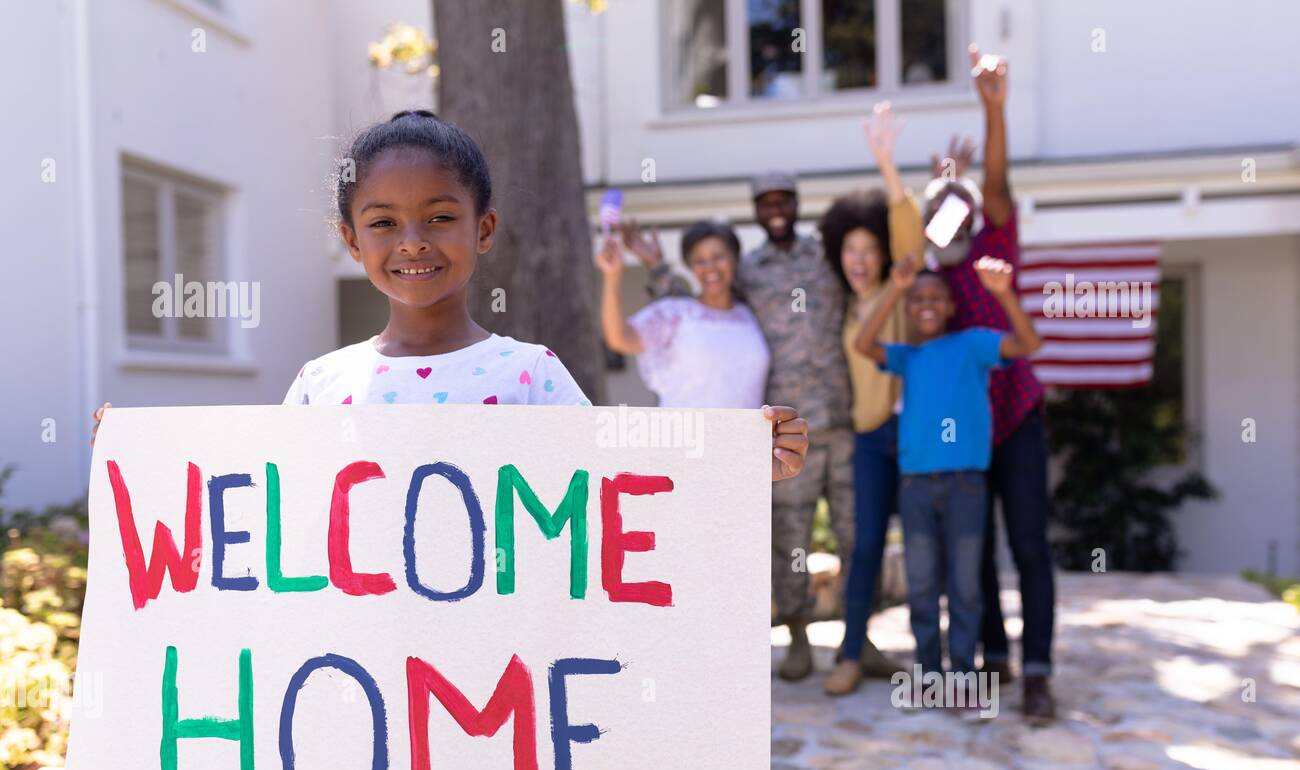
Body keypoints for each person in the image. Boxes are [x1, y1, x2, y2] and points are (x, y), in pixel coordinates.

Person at [91, 111, 810, 486]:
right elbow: (266, 504)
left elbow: (616, 485)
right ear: (351, 240)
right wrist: (144, 462)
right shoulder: (321, 385)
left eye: (439, 216)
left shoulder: (530, 375)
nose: (412, 241)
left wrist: (739, 465)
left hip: (499, 698)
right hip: (362, 689)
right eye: (383, 222)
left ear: (483, 228)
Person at [622, 121, 894, 683]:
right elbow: (701, 302)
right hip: (786, 430)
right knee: (789, 539)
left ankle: (859, 637)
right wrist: (654, 268)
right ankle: (795, 637)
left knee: (856, 533)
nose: (775, 209)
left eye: (783, 201)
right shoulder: (747, 272)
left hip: (840, 419)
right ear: (756, 209)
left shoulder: (825, 258)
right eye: (765, 203)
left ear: (795, 205)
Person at [921, 47, 1059, 722]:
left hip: (1020, 415)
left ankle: (1036, 671)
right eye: (935, 209)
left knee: (1029, 544)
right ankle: (995, 658)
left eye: (957, 205)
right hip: (966, 428)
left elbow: (996, 182)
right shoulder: (933, 283)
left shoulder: (994, 244)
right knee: (972, 551)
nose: (947, 216)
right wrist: (933, 188)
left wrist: (993, 109)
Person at [854, 255, 1041, 690]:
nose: (926, 304)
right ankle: (926, 676)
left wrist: (1003, 293)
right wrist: (895, 290)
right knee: (920, 589)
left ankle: (960, 677)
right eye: (918, 299)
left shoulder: (973, 345)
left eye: (936, 297)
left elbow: (1028, 344)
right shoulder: (907, 356)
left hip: (966, 486)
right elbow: (863, 344)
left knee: (965, 589)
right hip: (915, 487)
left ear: (952, 306)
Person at [818, 102, 922, 696]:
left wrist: (886, 164)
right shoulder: (843, 303)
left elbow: (910, 230)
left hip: (916, 435)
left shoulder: (901, 289)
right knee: (863, 547)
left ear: (882, 253)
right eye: (849, 252)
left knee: (928, 549)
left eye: (869, 250)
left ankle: (941, 657)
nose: (859, 261)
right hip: (868, 437)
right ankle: (851, 653)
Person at [596, 220, 769, 408]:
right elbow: (619, 338)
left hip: (744, 435)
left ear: (735, 259)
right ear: (691, 267)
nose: (710, 267)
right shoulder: (675, 313)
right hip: (687, 435)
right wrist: (612, 276)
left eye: (718, 257)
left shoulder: (751, 313)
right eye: (700, 261)